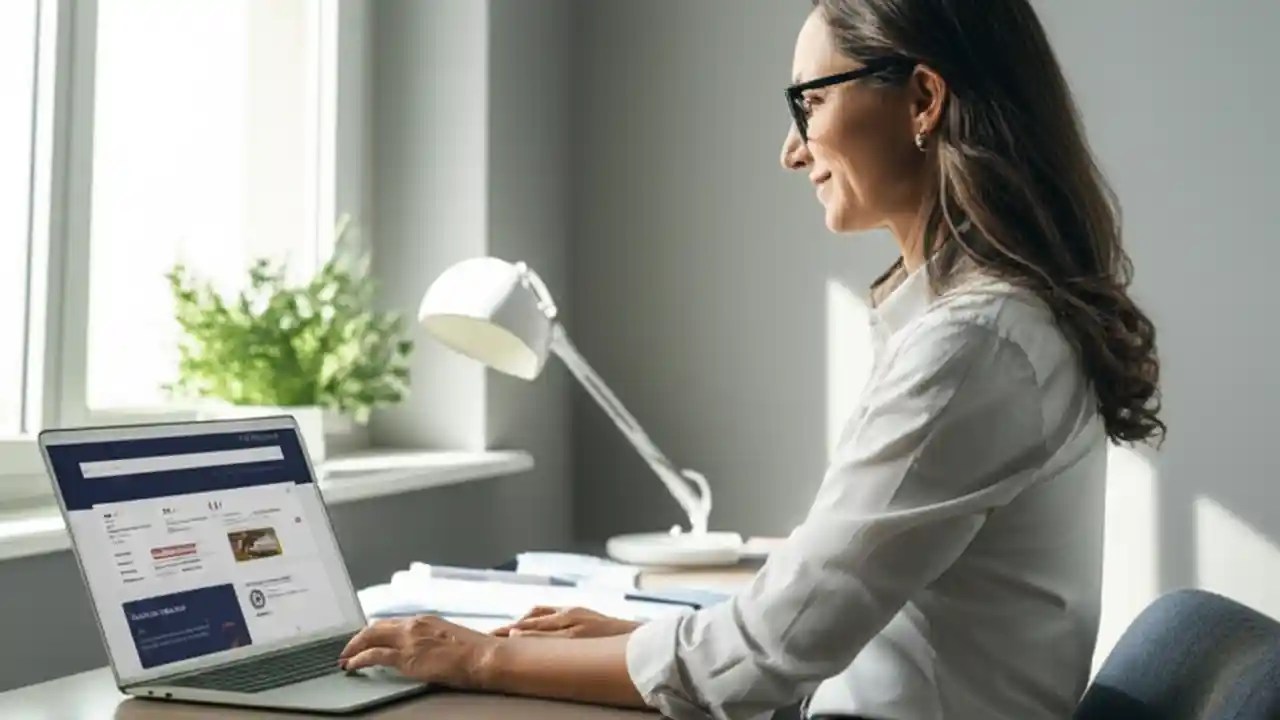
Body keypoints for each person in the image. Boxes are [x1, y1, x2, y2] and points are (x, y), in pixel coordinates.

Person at [338, 0, 1165, 717]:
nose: (793, 149)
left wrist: (481, 657)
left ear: (922, 97)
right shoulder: (987, 324)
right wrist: (642, 643)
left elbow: (764, 650)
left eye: (809, 102)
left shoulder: (973, 344)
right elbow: (791, 624)